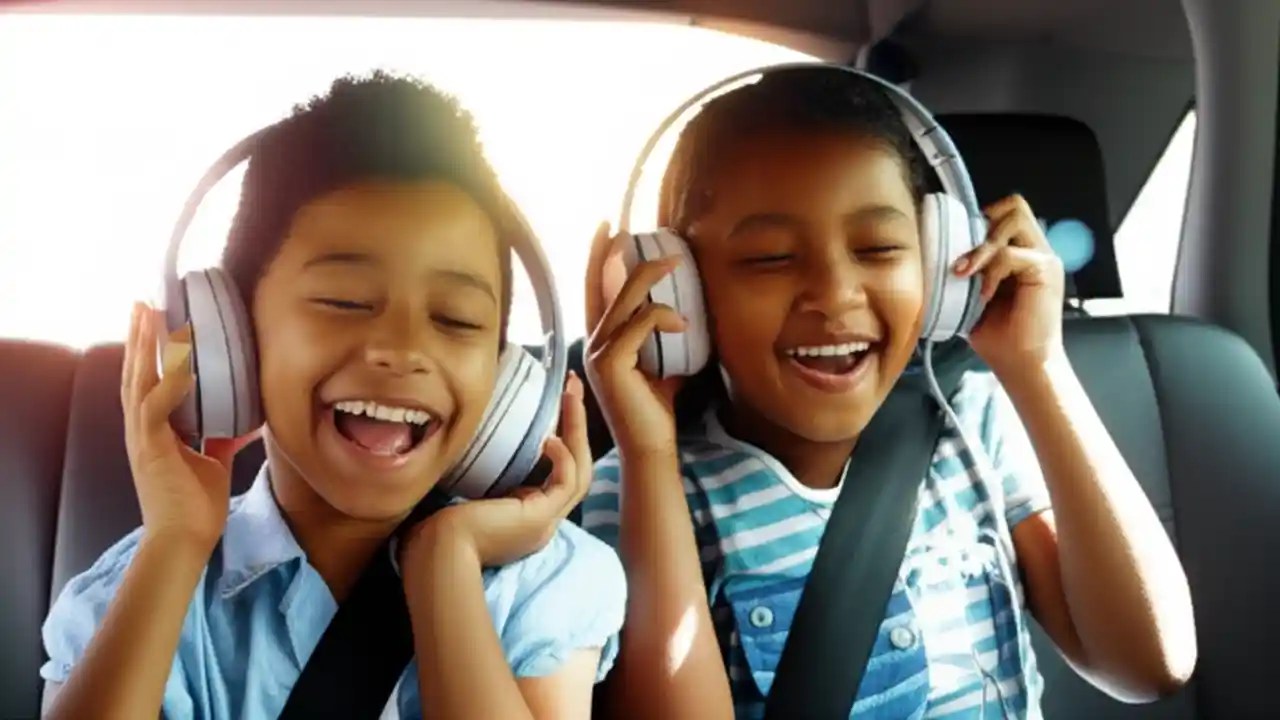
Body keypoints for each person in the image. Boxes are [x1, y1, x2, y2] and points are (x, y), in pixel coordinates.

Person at [580, 67, 1196, 719]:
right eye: (768, 258)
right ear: (683, 293)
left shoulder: (972, 425)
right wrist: (647, 453)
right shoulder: (641, 492)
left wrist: (1038, 368)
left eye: (877, 248)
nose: (836, 293)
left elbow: (1149, 663)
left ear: (940, 264)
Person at [40, 71, 625, 720]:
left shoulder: (546, 583)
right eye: (343, 301)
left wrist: (446, 567)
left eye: (456, 318)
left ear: (503, 378)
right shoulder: (133, 595)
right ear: (229, 337)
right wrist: (174, 544)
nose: (401, 349)